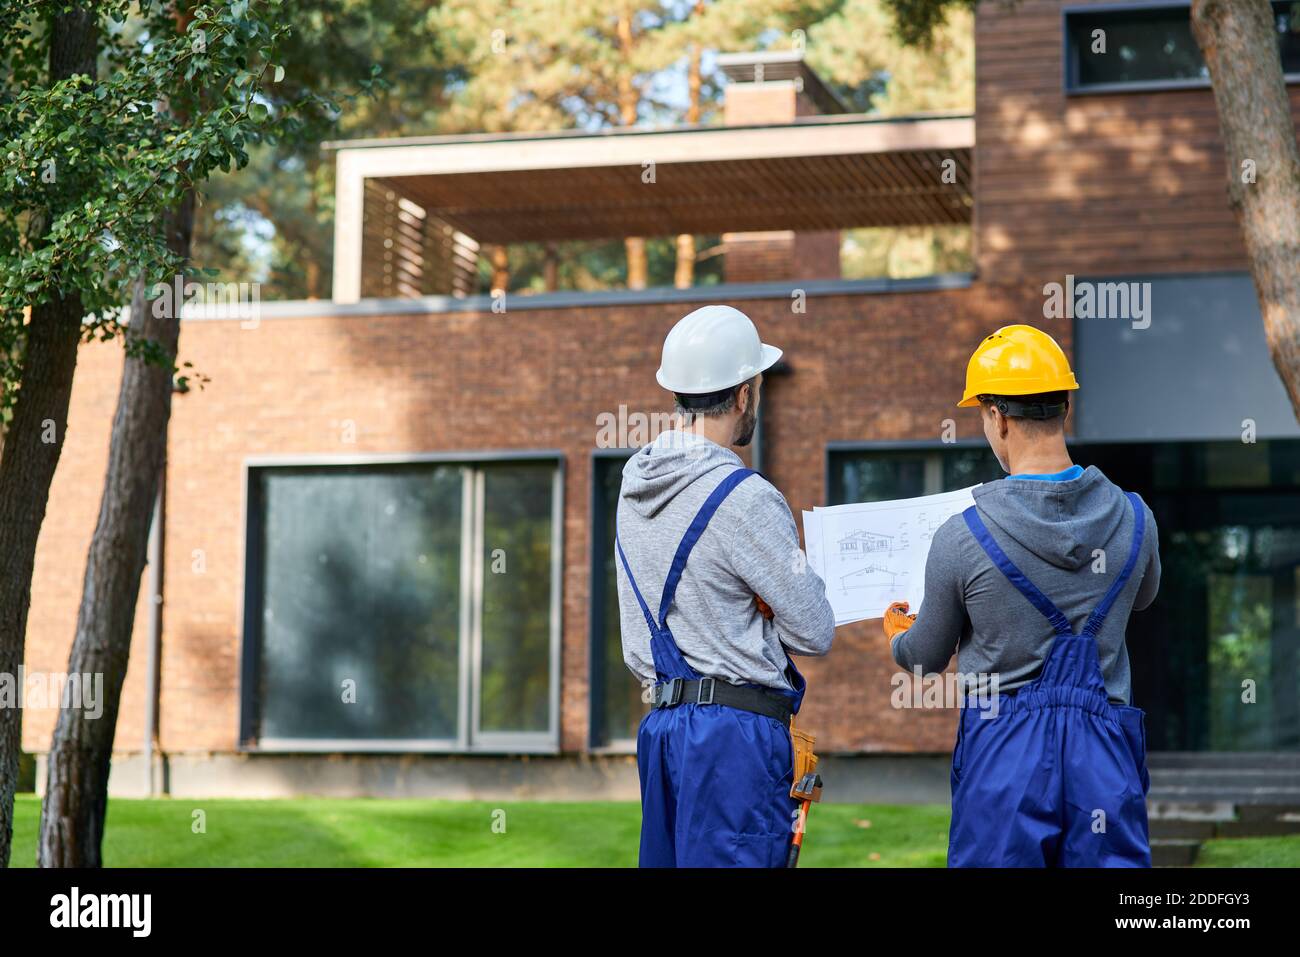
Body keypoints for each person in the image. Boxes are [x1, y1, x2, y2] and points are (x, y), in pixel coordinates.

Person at [883, 324, 1161, 867]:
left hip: (1004, 757)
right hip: (1104, 755)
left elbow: (923, 660)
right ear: (1065, 410)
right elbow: (1143, 597)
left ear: (998, 417)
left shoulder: (962, 536)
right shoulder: (1136, 517)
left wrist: (899, 637)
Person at [615, 304, 835, 867]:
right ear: (743, 394)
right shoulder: (746, 497)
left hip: (663, 728)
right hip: (734, 738)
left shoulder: (634, 489)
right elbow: (814, 630)